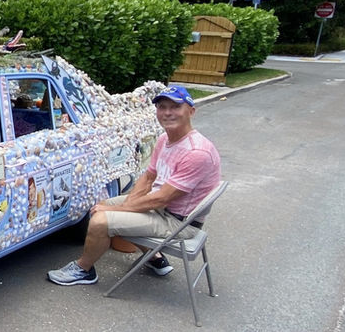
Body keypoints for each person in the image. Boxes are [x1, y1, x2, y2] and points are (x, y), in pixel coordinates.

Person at [47, 85, 221, 286]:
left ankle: (83, 270)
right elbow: (149, 177)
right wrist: (130, 202)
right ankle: (155, 258)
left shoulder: (196, 152)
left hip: (178, 222)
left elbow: (162, 197)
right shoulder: (165, 138)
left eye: (175, 107)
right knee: (104, 204)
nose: (167, 113)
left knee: (100, 221)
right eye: (162, 107)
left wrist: (123, 208)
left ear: (191, 110)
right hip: (161, 209)